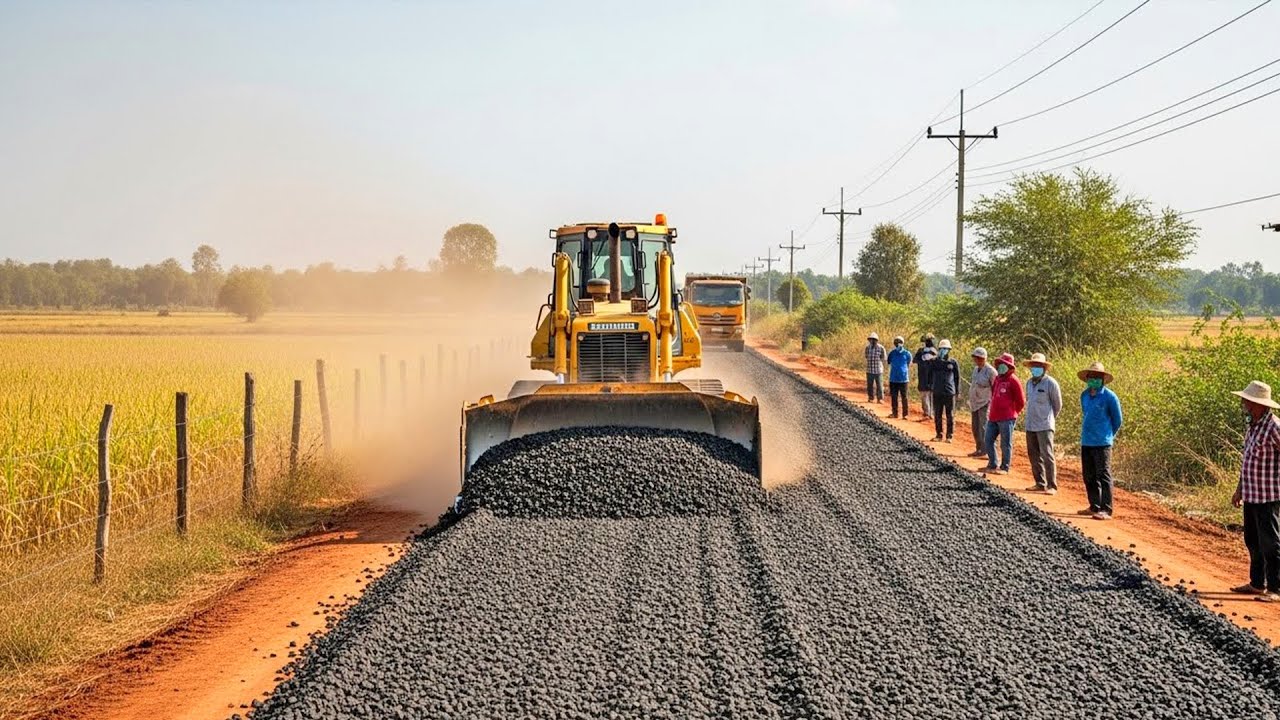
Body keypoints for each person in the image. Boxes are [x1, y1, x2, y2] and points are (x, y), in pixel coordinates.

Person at [1230, 380, 1280, 602]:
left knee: (1271, 542)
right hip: (1251, 493)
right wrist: (1239, 489)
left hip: (1269, 495)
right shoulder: (1253, 426)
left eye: (1247, 402)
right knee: (1252, 540)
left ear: (1260, 404)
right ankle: (1257, 583)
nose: (1244, 405)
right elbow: (1247, 460)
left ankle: (1276, 589)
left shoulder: (1275, 428)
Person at [1078, 361, 1123, 520]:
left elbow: (1117, 420)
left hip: (1102, 442)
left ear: (1103, 379)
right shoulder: (1084, 395)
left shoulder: (1110, 397)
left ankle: (1106, 509)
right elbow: (1086, 414)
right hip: (1087, 441)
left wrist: (1108, 435)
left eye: (1098, 377)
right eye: (1092, 377)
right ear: (1087, 378)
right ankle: (1094, 506)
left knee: (1103, 474)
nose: (1094, 380)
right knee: (1089, 475)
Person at [1023, 353, 1062, 494]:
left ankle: (1052, 486)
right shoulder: (1028, 383)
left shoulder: (1051, 383)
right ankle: (1040, 482)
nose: (1035, 369)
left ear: (1044, 368)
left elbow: (1057, 405)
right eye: (1033, 367)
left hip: (1045, 425)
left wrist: (1049, 418)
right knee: (1033, 454)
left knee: (1047, 454)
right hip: (1030, 424)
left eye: (1038, 366)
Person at [984, 353, 1025, 475]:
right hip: (993, 416)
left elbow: (1021, 401)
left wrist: (1013, 412)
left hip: (1007, 418)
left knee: (1005, 443)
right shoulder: (997, 378)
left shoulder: (1013, 380)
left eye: (1005, 365)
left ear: (1010, 367)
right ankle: (992, 463)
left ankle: (1005, 467)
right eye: (1000, 364)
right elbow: (993, 394)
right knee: (988, 440)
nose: (1002, 367)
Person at [928, 339, 961, 442]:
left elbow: (957, 377)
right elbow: (929, 375)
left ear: (949, 350)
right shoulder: (934, 362)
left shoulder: (953, 362)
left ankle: (949, 436)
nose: (944, 350)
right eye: (942, 349)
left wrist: (958, 392)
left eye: (946, 349)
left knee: (950, 415)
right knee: (937, 414)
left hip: (950, 392)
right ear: (939, 349)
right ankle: (939, 434)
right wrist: (930, 387)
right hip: (937, 391)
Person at [967, 348, 997, 458]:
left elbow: (995, 387)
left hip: (985, 402)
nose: (977, 360)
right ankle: (979, 448)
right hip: (975, 402)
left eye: (980, 358)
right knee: (975, 426)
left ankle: (986, 451)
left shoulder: (991, 371)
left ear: (984, 358)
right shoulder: (976, 369)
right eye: (976, 358)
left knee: (984, 427)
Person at [887, 336, 912, 418]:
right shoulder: (892, 353)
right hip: (893, 378)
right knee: (894, 397)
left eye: (900, 342)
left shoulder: (907, 354)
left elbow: (909, 363)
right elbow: (889, 361)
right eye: (896, 342)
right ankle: (895, 413)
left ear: (903, 343)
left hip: (904, 379)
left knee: (904, 397)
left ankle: (905, 414)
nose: (898, 344)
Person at [913, 335, 937, 420]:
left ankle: (930, 413)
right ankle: (927, 413)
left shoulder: (935, 353)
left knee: (929, 395)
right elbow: (914, 360)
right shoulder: (921, 351)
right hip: (924, 377)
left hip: (930, 378)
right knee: (925, 395)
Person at [864, 332, 887, 404]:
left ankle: (880, 399)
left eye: (874, 339)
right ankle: (871, 397)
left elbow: (884, 358)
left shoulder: (881, 348)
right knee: (870, 385)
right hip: (869, 369)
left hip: (878, 370)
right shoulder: (867, 348)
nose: (872, 341)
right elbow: (866, 356)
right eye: (871, 339)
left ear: (877, 340)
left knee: (879, 385)